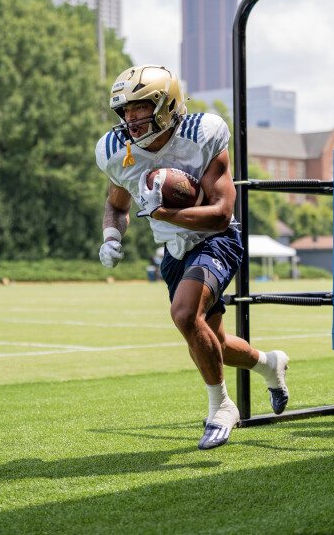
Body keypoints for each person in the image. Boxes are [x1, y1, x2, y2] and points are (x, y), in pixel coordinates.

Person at [94, 64, 290, 450]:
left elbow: (220, 214)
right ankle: (270, 364)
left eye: (139, 108)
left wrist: (163, 212)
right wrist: (111, 235)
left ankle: (221, 407)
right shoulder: (117, 151)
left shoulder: (202, 133)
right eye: (125, 110)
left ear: (165, 104)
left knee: (185, 315)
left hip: (216, 240)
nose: (130, 119)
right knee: (210, 338)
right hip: (174, 250)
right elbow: (117, 204)